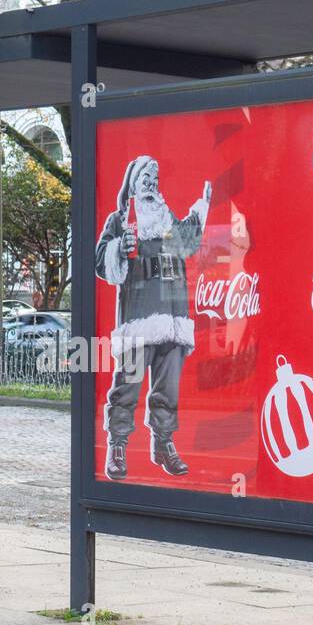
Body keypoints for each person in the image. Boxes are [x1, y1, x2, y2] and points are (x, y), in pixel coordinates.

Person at [94, 155, 210, 481]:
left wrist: (201, 207)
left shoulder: (165, 215)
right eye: (146, 176)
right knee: (128, 386)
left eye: (155, 178)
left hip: (173, 315)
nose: (152, 182)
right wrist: (119, 247)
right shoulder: (121, 219)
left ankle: (163, 443)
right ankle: (117, 445)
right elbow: (101, 260)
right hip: (138, 316)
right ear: (133, 181)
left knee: (167, 388)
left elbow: (185, 244)